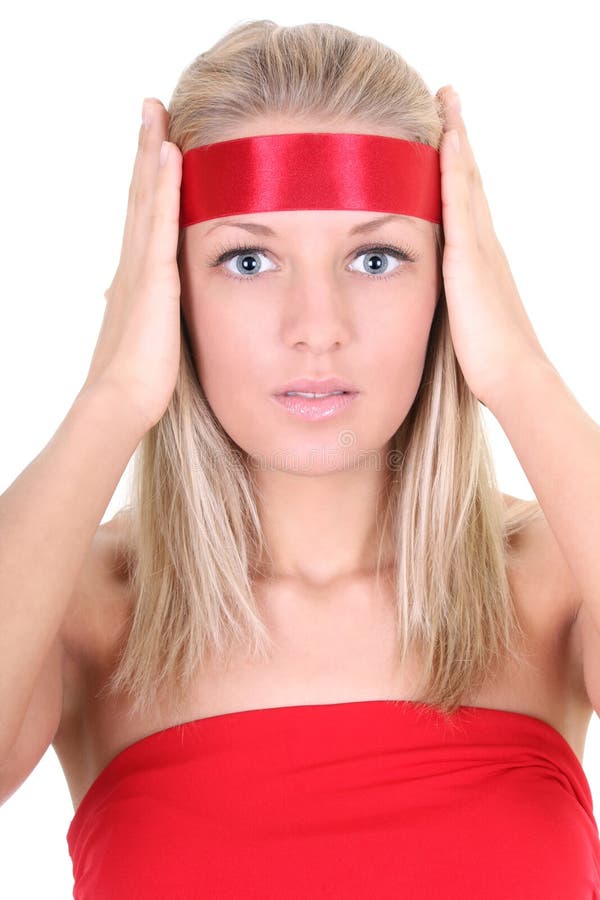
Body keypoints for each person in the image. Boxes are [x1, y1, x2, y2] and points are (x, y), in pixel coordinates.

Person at [1, 18, 599, 899]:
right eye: (247, 259)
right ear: (164, 289)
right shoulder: (86, 610)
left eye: (376, 256)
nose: (316, 326)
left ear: (454, 283)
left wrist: (516, 368)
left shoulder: (553, 577)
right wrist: (114, 392)